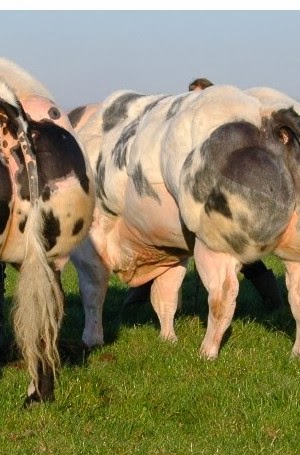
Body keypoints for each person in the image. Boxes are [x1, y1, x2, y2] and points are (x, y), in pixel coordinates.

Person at [122, 78, 284, 311]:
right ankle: (136, 299)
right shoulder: (183, 129)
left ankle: (273, 300)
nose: (193, 101)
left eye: (199, 96)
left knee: (240, 252)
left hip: (221, 199)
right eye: (191, 96)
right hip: (189, 199)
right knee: (165, 248)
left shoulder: (221, 127)